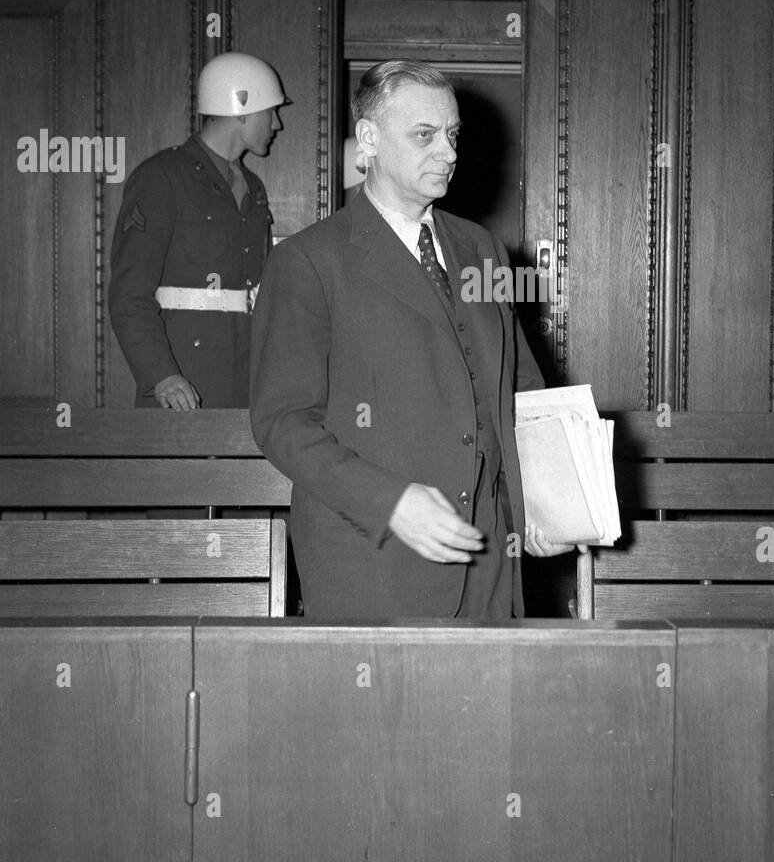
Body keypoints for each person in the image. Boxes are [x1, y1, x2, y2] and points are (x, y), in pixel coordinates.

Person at [249, 60, 569, 620]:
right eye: (424, 135)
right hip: (374, 565)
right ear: (369, 138)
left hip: (490, 560)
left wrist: (547, 504)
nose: (447, 151)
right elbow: (283, 423)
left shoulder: (484, 250)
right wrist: (392, 504)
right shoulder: (308, 261)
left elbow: (521, 390)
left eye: (452, 135)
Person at [109, 51, 284, 409]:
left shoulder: (253, 188)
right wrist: (162, 375)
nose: (277, 124)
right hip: (183, 386)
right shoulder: (162, 177)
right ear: (243, 106)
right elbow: (129, 293)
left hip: (247, 384)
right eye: (271, 111)